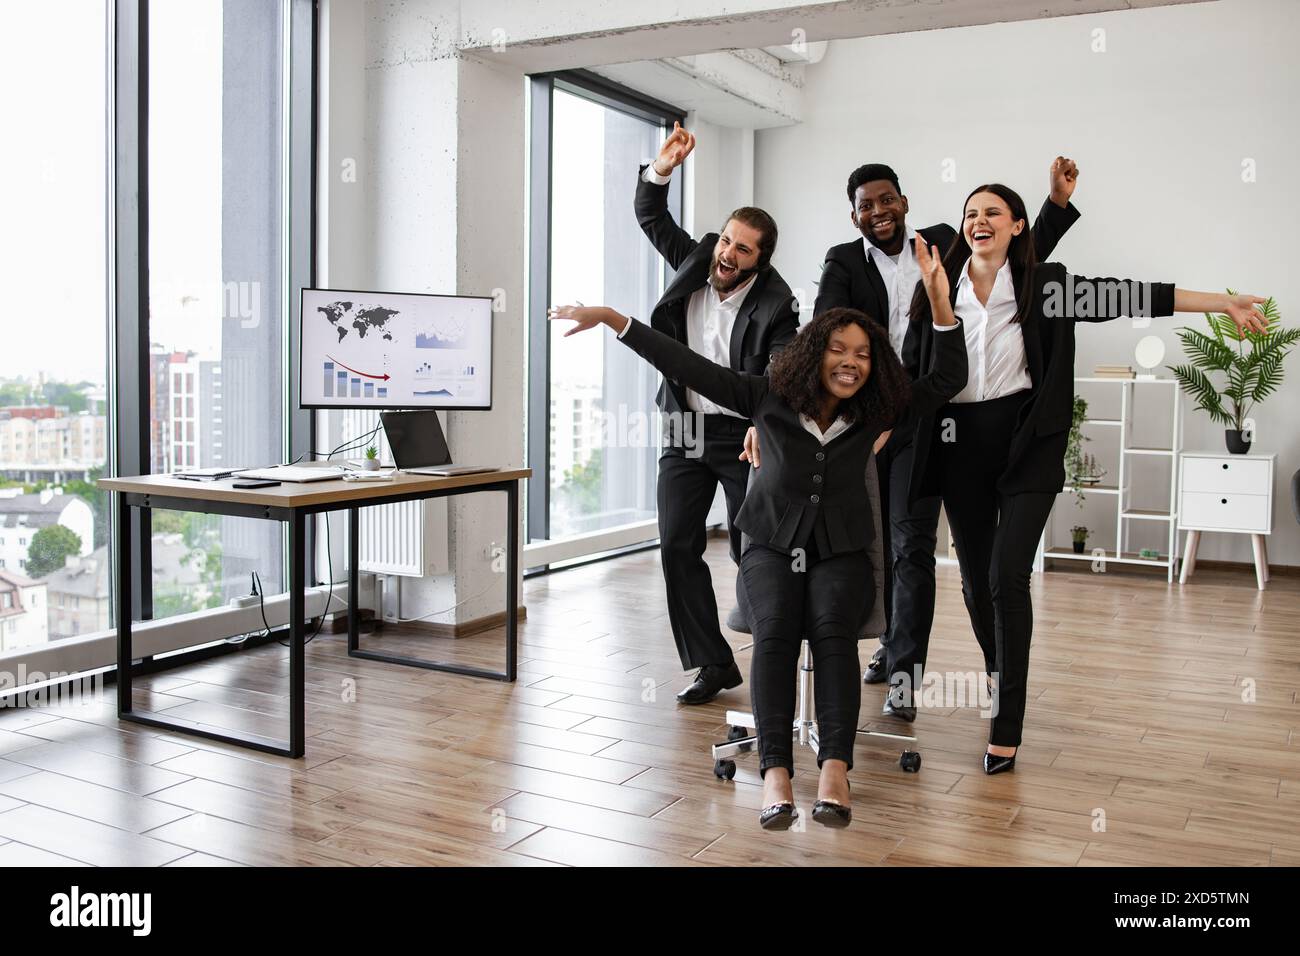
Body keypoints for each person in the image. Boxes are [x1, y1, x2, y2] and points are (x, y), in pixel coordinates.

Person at [549, 231, 968, 829]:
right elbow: (684, 362)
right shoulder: (766, 396)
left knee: (830, 633)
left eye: (863, 354)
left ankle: (835, 770)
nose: (851, 362)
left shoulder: (878, 409)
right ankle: (775, 771)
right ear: (815, 351)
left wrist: (936, 293)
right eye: (839, 350)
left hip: (843, 549)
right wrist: (615, 319)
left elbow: (948, 376)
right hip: (770, 543)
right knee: (772, 633)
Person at [903, 182, 1268, 774]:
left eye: (992, 212)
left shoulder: (1046, 287)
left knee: (1006, 578)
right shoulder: (937, 288)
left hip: (1026, 444)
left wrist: (1221, 304)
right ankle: (1003, 674)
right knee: (974, 588)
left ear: (1019, 226)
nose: (979, 220)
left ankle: (1006, 726)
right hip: (958, 444)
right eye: (971, 213)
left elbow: (1132, 295)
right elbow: (912, 374)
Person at [804, 159, 1079, 721]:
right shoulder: (842, 262)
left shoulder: (944, 243)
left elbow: (1013, 260)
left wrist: (1051, 207)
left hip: (933, 418)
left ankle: (904, 679)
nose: (877, 212)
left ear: (904, 201)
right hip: (869, 418)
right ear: (853, 214)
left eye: (886, 200)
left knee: (913, 549)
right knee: (864, 542)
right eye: (864, 205)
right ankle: (880, 645)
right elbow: (825, 331)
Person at [634, 122, 800, 705]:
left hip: (739, 434)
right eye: (727, 240)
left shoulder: (779, 306)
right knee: (677, 544)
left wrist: (761, 422)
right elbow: (652, 216)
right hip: (683, 426)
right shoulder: (697, 259)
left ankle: (771, 651)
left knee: (749, 548)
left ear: (760, 260)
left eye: (742, 249)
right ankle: (711, 663)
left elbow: (780, 378)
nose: (728, 254)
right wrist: (664, 168)